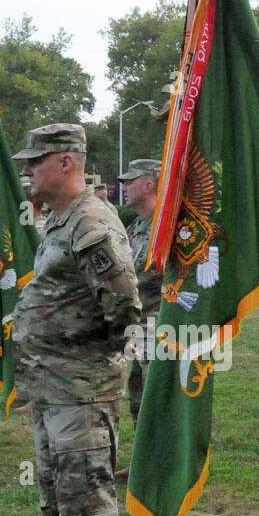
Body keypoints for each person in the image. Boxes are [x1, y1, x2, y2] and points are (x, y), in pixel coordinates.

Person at [12, 123, 142, 516]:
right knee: (58, 492)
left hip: (81, 389)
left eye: (34, 162)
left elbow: (123, 305)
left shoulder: (91, 223)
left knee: (87, 496)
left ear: (66, 162)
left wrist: (82, 354)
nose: (26, 171)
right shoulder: (60, 220)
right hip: (51, 386)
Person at [118, 159, 163, 427]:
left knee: (154, 394)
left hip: (159, 322)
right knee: (137, 392)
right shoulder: (137, 225)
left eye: (129, 181)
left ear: (148, 184)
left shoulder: (165, 226)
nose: (123, 186)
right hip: (138, 322)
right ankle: (143, 463)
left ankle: (161, 466)